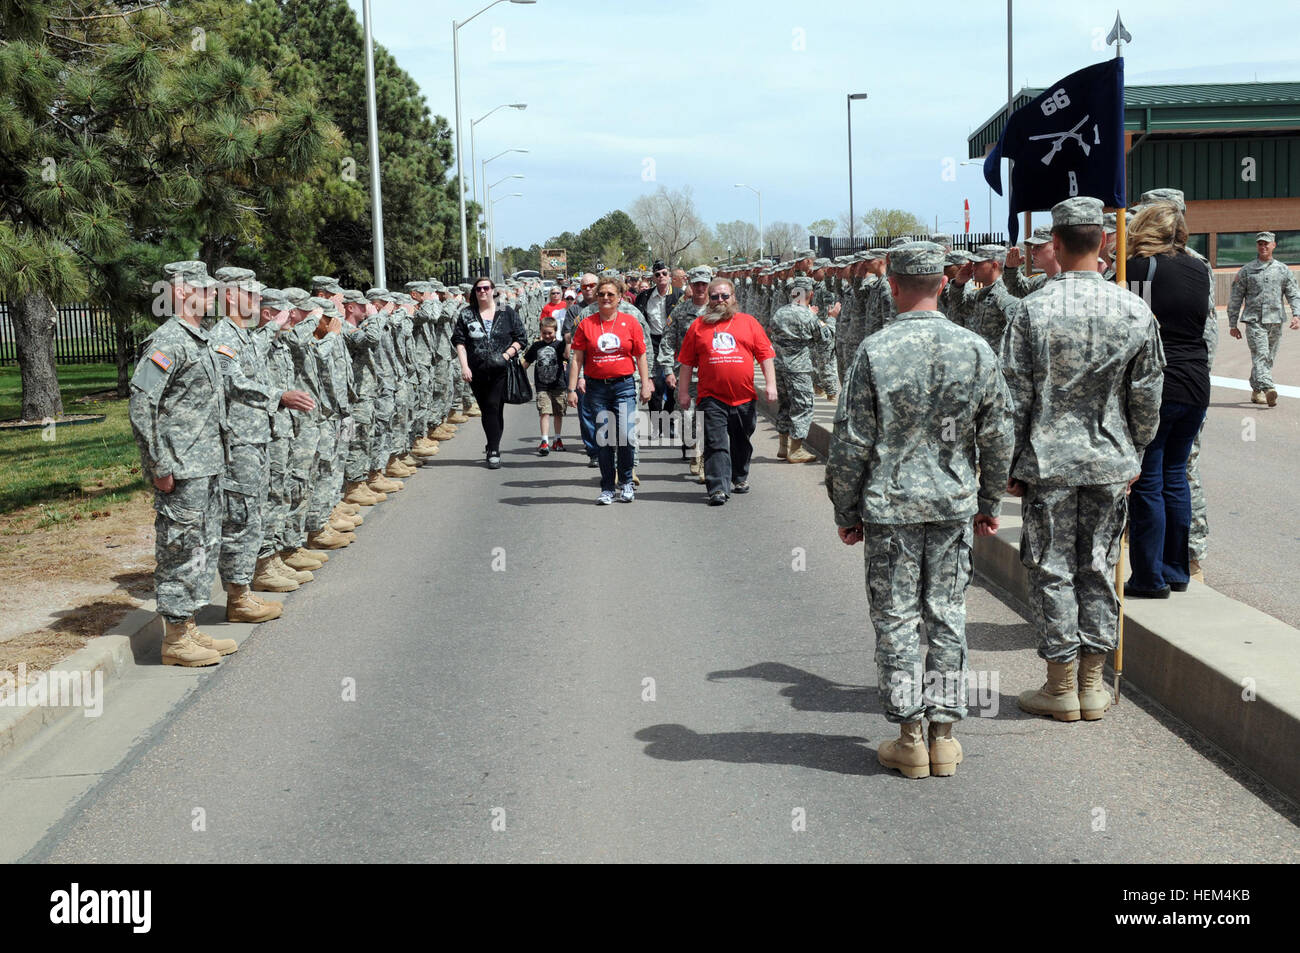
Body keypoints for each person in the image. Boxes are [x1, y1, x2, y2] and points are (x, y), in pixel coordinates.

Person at [826, 241, 1013, 779]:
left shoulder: (874, 351)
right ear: (940, 283)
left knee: (898, 619)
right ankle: (945, 738)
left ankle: (909, 738)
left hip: (891, 509)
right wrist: (988, 500)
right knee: (947, 615)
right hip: (952, 505)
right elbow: (997, 433)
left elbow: (851, 442)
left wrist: (846, 509)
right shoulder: (975, 349)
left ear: (894, 284)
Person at [1001, 197, 1165, 723]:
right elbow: (1147, 395)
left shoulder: (1033, 310)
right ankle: (1093, 685)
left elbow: (1013, 397)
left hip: (1049, 463)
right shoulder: (1134, 309)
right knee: (1097, 567)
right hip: (1109, 460)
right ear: (1104, 241)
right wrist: (1136, 451)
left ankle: (1061, 686)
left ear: (1056, 242)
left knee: (1052, 570)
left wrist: (1007, 463)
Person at [128, 261, 237, 667]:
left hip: (205, 463)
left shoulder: (200, 339)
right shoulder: (168, 341)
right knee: (178, 547)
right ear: (180, 291)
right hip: (181, 465)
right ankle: (174, 639)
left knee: (201, 546)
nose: (211, 297)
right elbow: (142, 406)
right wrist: (159, 464)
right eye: (204, 290)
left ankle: (187, 624)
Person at [210, 268, 312, 623]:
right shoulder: (223, 335)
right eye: (251, 295)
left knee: (253, 513)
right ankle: (238, 597)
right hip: (237, 441)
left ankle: (248, 586)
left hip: (256, 437)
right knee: (240, 517)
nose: (257, 302)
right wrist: (279, 396)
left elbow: (260, 355)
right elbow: (233, 382)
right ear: (233, 296)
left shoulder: (243, 334)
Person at [1123, 202, 1211, 598]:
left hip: (1160, 382)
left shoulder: (1142, 270)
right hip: (1196, 381)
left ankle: (1148, 577)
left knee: (1150, 481)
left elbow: (1138, 320)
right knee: (1176, 477)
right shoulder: (1199, 268)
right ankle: (1177, 571)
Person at [676, 277, 776, 504]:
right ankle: (718, 488)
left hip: (744, 397)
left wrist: (771, 385)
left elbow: (765, 356)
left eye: (724, 296)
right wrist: (683, 393)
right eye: (715, 296)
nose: (720, 300)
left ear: (733, 298)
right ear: (708, 300)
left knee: (742, 440)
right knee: (716, 442)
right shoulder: (698, 326)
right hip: (711, 397)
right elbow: (686, 363)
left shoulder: (748, 322)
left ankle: (739, 476)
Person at [566, 276, 653, 503]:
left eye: (610, 294)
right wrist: (572, 388)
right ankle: (607, 487)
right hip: (597, 389)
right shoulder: (587, 323)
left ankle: (626, 481)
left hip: (624, 385)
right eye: (602, 294)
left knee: (625, 434)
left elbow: (641, 354)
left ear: (619, 298)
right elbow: (576, 358)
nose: (605, 298)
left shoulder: (630, 321)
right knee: (604, 438)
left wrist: (645, 383)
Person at [452, 276, 528, 469]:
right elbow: (459, 342)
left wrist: (506, 355)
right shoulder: (467, 313)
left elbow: (521, 338)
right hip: (476, 370)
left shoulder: (505, 311)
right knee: (490, 409)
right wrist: (464, 366)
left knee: (493, 405)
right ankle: (492, 443)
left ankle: (494, 450)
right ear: (474, 293)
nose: (482, 292)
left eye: (486, 288)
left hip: (500, 369)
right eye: (478, 289)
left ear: (493, 290)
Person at [1228, 230, 1300, 407]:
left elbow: (1293, 294)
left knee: (1268, 358)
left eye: (1267, 243)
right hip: (1254, 321)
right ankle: (1269, 388)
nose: (1263, 246)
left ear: (1274, 245)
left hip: (1275, 321)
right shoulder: (1246, 271)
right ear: (1257, 246)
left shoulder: (1283, 270)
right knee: (1261, 355)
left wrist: (1297, 314)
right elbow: (1236, 297)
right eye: (1260, 243)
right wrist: (1233, 323)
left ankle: (1256, 390)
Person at [768, 276, 830, 464]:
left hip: (779, 365)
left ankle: (782, 446)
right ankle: (795, 450)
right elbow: (824, 338)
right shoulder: (808, 315)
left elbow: (774, 332)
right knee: (803, 406)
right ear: (810, 294)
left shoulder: (779, 312)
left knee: (785, 404)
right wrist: (831, 320)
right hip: (799, 368)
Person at [634, 260, 682, 417]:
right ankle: (657, 424)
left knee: (673, 383)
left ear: (669, 276)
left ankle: (669, 418)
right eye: (657, 274)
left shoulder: (678, 295)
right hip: (652, 342)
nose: (661, 276)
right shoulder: (643, 297)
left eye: (664, 273)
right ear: (653, 278)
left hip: (673, 343)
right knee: (654, 384)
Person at [522, 315, 568, 454]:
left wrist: (568, 342)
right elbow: (526, 362)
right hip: (542, 386)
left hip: (559, 385)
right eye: (544, 333)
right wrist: (516, 374)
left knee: (558, 413)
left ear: (555, 331)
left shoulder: (560, 345)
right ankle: (544, 441)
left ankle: (557, 439)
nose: (547, 336)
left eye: (550, 333)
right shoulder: (536, 346)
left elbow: (568, 357)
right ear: (540, 332)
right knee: (544, 412)